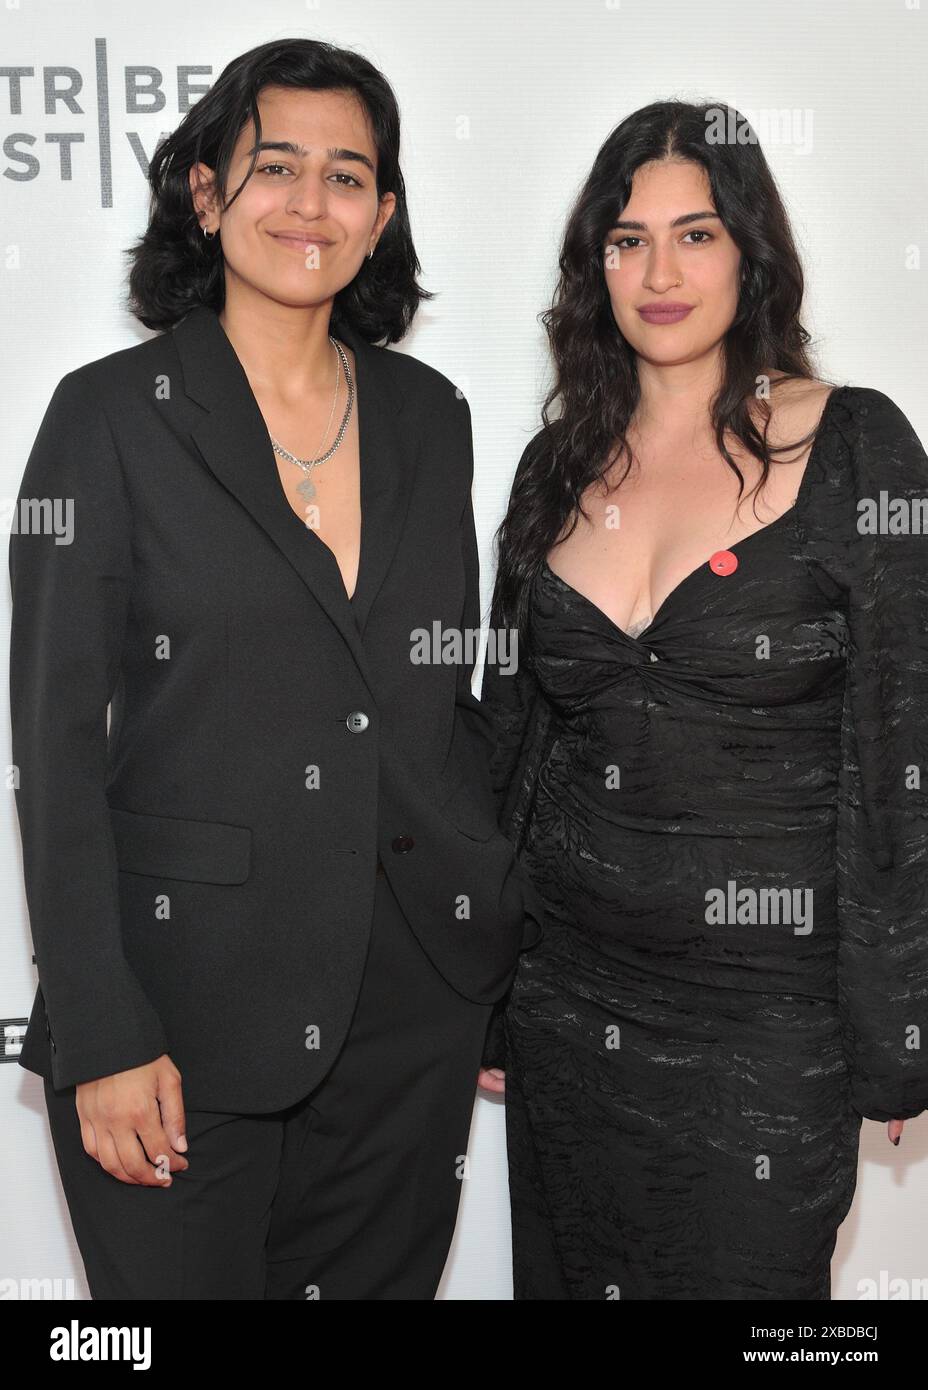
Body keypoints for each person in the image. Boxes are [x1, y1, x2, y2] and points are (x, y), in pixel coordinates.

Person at [10, 37, 539, 1300]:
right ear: (206, 192)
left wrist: (493, 961)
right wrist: (103, 1027)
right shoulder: (108, 415)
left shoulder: (431, 416)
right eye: (277, 166)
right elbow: (55, 742)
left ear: (384, 212)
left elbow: (432, 714)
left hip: (405, 1020)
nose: (312, 203)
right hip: (177, 1018)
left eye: (348, 175)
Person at [478, 99, 928, 1300]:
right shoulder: (555, 465)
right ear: (594, 265)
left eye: (696, 234)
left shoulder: (854, 448)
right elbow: (511, 748)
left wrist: (900, 1028)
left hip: (769, 1022)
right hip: (569, 1005)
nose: (659, 272)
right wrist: (483, 996)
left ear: (751, 252)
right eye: (626, 240)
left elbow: (903, 748)